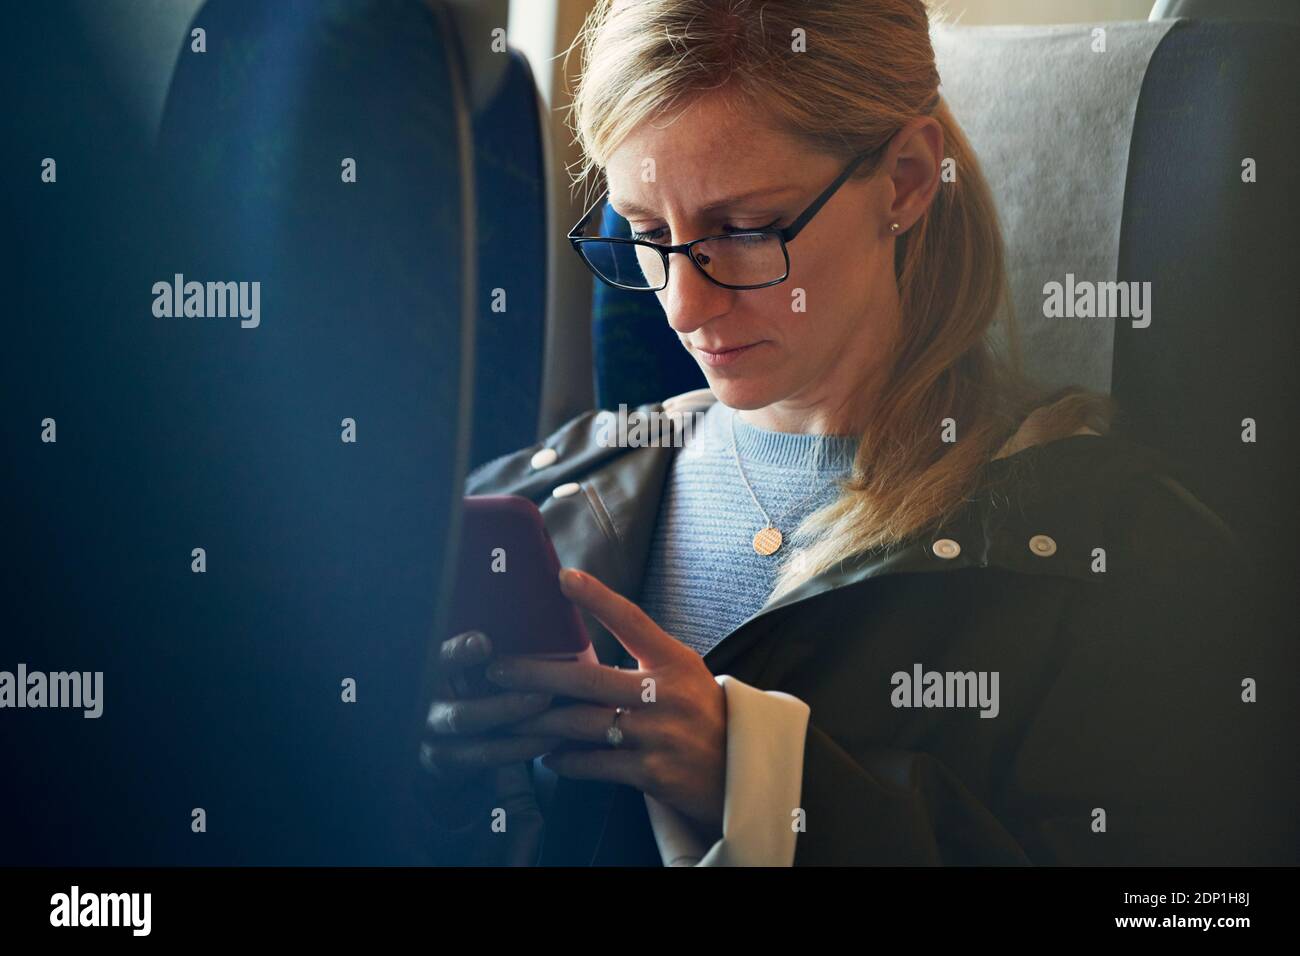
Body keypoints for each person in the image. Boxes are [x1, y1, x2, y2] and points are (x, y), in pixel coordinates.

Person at [415, 0, 1270, 866]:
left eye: (745, 230)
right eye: (644, 234)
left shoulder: (1112, 555)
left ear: (904, 180)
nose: (682, 306)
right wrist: (433, 777)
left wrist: (767, 789)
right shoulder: (542, 494)